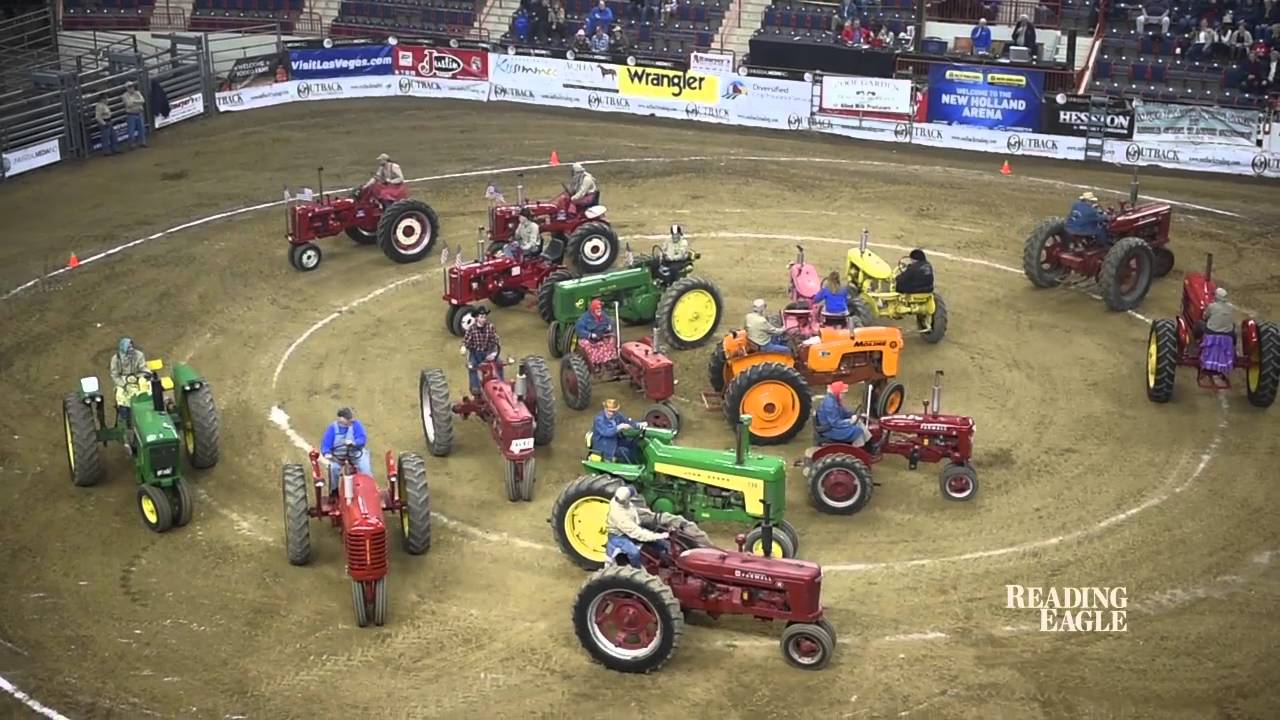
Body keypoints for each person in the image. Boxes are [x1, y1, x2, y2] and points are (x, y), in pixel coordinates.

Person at [604, 485, 669, 567]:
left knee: (660, 544)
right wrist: (659, 535)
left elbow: (630, 508)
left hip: (631, 527)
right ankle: (636, 569)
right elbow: (638, 534)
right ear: (625, 500)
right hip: (619, 536)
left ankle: (665, 561)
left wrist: (643, 511)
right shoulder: (619, 516)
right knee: (634, 552)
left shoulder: (618, 500)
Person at [320, 407, 373, 495]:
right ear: (340, 418)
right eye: (348, 419)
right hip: (338, 457)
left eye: (351, 419)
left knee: (365, 468)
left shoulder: (356, 425)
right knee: (334, 469)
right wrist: (327, 453)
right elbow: (326, 444)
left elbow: (362, 438)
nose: (350, 421)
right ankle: (334, 490)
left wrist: (355, 443)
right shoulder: (332, 428)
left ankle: (369, 491)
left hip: (356, 454)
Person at [814, 381, 871, 446]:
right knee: (857, 431)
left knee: (859, 423)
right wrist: (850, 422)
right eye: (843, 393)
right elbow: (835, 423)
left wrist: (856, 415)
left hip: (833, 425)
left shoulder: (835, 400)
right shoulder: (830, 403)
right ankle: (858, 450)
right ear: (837, 391)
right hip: (829, 429)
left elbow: (844, 412)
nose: (844, 395)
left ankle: (869, 442)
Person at [460, 306, 502, 393]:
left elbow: (495, 339)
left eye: (484, 317)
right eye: (481, 317)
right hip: (475, 354)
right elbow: (466, 341)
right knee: (472, 367)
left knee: (499, 364)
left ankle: (501, 383)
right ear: (476, 318)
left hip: (488, 353)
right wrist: (463, 347)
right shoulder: (471, 329)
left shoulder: (490, 327)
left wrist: (493, 353)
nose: (483, 319)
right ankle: (475, 388)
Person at [110, 337, 149, 426]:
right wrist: (123, 384)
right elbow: (115, 375)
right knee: (121, 395)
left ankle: (146, 408)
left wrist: (141, 376)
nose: (131, 349)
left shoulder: (139, 355)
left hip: (137, 377)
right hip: (123, 380)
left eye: (132, 347)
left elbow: (143, 368)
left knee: (146, 387)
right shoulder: (115, 359)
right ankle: (125, 417)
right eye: (128, 347)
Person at [1199, 287, 1236, 377]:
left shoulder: (1212, 306)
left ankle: (1200, 346)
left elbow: (1204, 317)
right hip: (1228, 335)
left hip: (1212, 333)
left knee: (1199, 324)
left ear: (1216, 297)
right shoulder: (1231, 307)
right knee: (1233, 328)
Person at [591, 398, 640, 463]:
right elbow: (607, 432)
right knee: (625, 452)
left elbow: (626, 420)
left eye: (613, 411)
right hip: (604, 444)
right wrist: (619, 427)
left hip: (615, 440)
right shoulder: (599, 419)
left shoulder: (616, 415)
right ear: (605, 409)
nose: (611, 413)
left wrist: (637, 424)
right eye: (609, 411)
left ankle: (636, 462)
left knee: (633, 444)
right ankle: (628, 467)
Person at [575, 298, 617, 364]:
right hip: (589, 340)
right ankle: (594, 362)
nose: (599, 311)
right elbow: (579, 330)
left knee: (612, 340)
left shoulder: (603, 315)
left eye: (600, 309)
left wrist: (609, 326)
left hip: (601, 337)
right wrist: (590, 335)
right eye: (597, 309)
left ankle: (610, 359)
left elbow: (610, 321)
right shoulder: (584, 318)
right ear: (593, 309)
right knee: (586, 344)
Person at [121, 80, 146, 149]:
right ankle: (132, 144)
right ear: (127, 88)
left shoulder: (137, 93)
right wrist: (138, 102)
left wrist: (134, 101)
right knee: (131, 131)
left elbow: (143, 101)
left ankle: (142, 142)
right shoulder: (124, 96)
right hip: (131, 115)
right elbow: (128, 104)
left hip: (139, 113)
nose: (131, 88)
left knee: (142, 129)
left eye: (132, 86)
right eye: (129, 87)